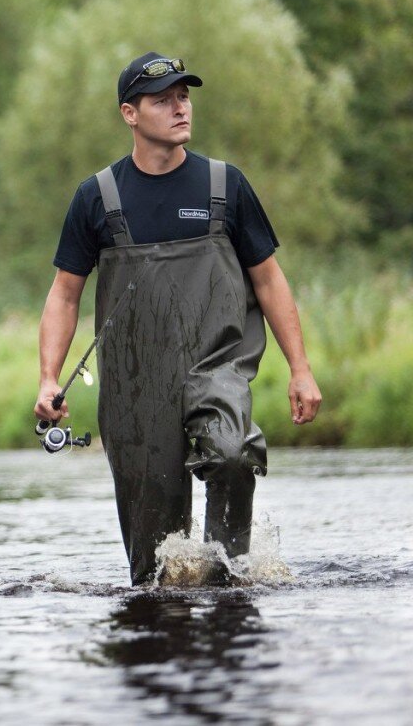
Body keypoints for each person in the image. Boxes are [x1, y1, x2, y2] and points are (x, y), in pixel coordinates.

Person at [35, 52, 321, 586]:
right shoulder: (96, 197)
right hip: (135, 382)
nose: (180, 108)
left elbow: (269, 280)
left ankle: (228, 574)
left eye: (184, 96)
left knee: (234, 455)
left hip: (218, 365)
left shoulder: (225, 185)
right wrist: (50, 377)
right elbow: (64, 295)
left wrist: (300, 368)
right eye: (163, 99)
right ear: (130, 114)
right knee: (153, 568)